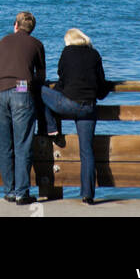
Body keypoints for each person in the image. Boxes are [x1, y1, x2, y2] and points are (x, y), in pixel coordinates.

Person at [41, 28, 110, 204]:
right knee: (86, 150)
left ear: (69, 41)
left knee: (40, 91)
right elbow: (101, 85)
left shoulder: (67, 53)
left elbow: (62, 79)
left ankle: (51, 128)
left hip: (69, 104)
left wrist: (56, 93)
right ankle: (88, 195)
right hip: (88, 107)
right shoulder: (94, 54)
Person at [0, 11, 46, 204]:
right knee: (22, 144)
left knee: (4, 145)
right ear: (31, 29)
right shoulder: (36, 45)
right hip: (21, 88)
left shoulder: (1, 42)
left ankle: (9, 190)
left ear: (15, 25)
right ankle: (22, 192)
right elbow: (40, 76)